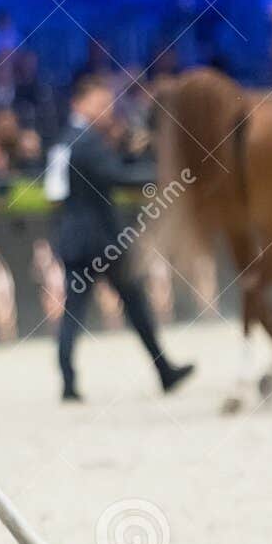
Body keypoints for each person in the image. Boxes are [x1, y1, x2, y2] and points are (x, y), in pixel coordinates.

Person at [50, 74, 193, 404]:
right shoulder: (87, 142)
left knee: (83, 311)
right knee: (132, 306)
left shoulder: (67, 140)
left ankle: (70, 379)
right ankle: (163, 370)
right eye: (100, 105)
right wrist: (162, 176)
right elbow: (116, 177)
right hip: (101, 242)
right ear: (80, 104)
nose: (107, 111)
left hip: (79, 239)